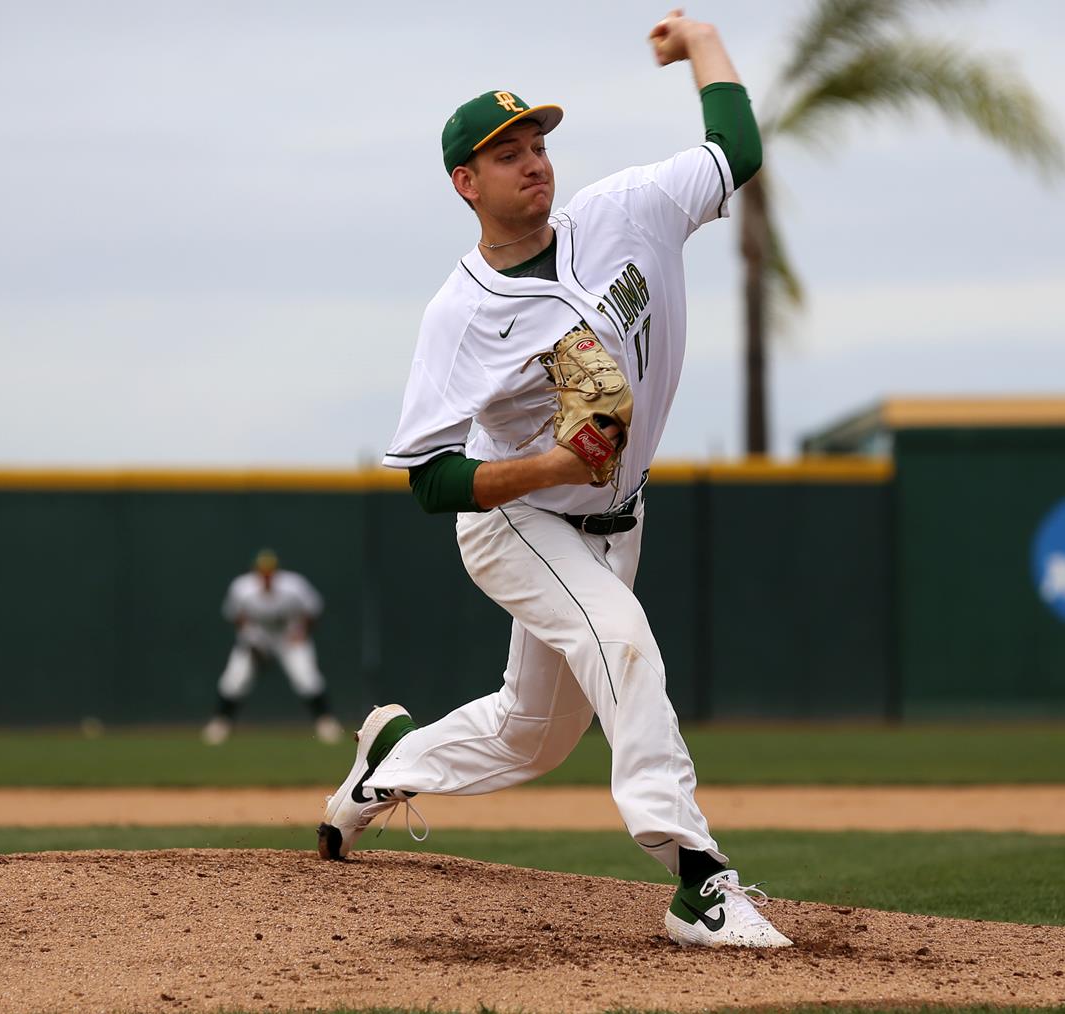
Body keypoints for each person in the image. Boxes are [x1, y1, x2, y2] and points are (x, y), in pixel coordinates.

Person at [317, 11, 789, 948]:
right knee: (625, 644)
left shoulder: (628, 210)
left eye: (536, 143)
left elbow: (736, 149)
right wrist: (551, 464)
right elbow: (429, 479)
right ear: (466, 183)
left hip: (617, 517)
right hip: (520, 518)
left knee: (532, 735)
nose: (533, 161)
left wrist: (700, 43)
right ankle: (697, 880)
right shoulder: (460, 315)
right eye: (507, 153)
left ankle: (385, 767)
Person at [204, 549, 344, 745]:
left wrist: (302, 632)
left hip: (288, 637)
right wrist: (250, 640)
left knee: (306, 677)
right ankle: (221, 723)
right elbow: (237, 616)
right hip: (257, 638)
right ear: (256, 571)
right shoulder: (242, 588)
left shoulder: (293, 585)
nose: (266, 576)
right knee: (235, 679)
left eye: (270, 571)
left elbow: (313, 608)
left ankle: (325, 723)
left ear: (276, 571)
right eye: (262, 572)